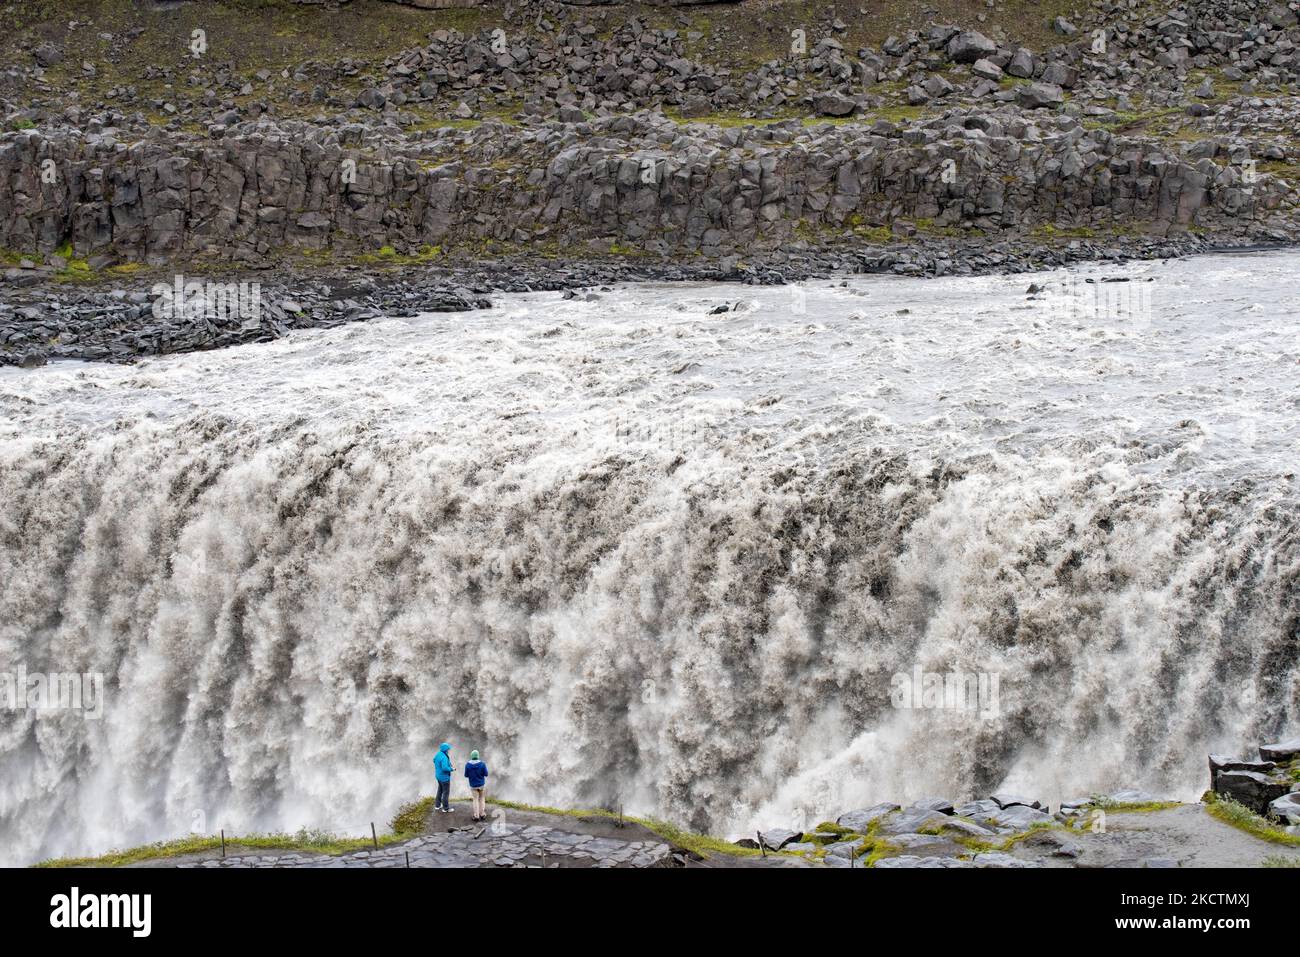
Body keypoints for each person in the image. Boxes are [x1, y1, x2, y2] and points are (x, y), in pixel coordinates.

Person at [464, 750, 489, 822]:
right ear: (478, 756)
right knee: (482, 799)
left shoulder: (468, 765)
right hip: (481, 785)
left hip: (473, 786)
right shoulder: (482, 764)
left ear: (471, 756)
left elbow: (466, 775)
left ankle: (476, 816)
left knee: (475, 800)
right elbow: (486, 774)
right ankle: (482, 814)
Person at [433, 742, 455, 813]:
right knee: (446, 793)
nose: (449, 750)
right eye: (448, 749)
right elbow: (445, 768)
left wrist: (447, 764)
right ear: (445, 750)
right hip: (444, 778)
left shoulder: (438, 754)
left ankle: (437, 805)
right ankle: (445, 808)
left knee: (440, 790)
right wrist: (452, 769)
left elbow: (434, 760)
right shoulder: (444, 757)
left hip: (438, 776)